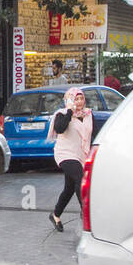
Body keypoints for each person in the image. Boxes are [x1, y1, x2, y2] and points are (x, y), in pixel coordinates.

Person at [46, 87, 93, 232]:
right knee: (79, 179)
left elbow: (93, 133)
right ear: (69, 100)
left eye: (81, 99)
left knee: (70, 188)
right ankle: (86, 213)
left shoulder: (88, 114)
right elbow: (60, 129)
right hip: (65, 154)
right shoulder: (62, 114)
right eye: (75, 99)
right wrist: (70, 111)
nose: (79, 102)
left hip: (80, 155)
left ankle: (55, 214)